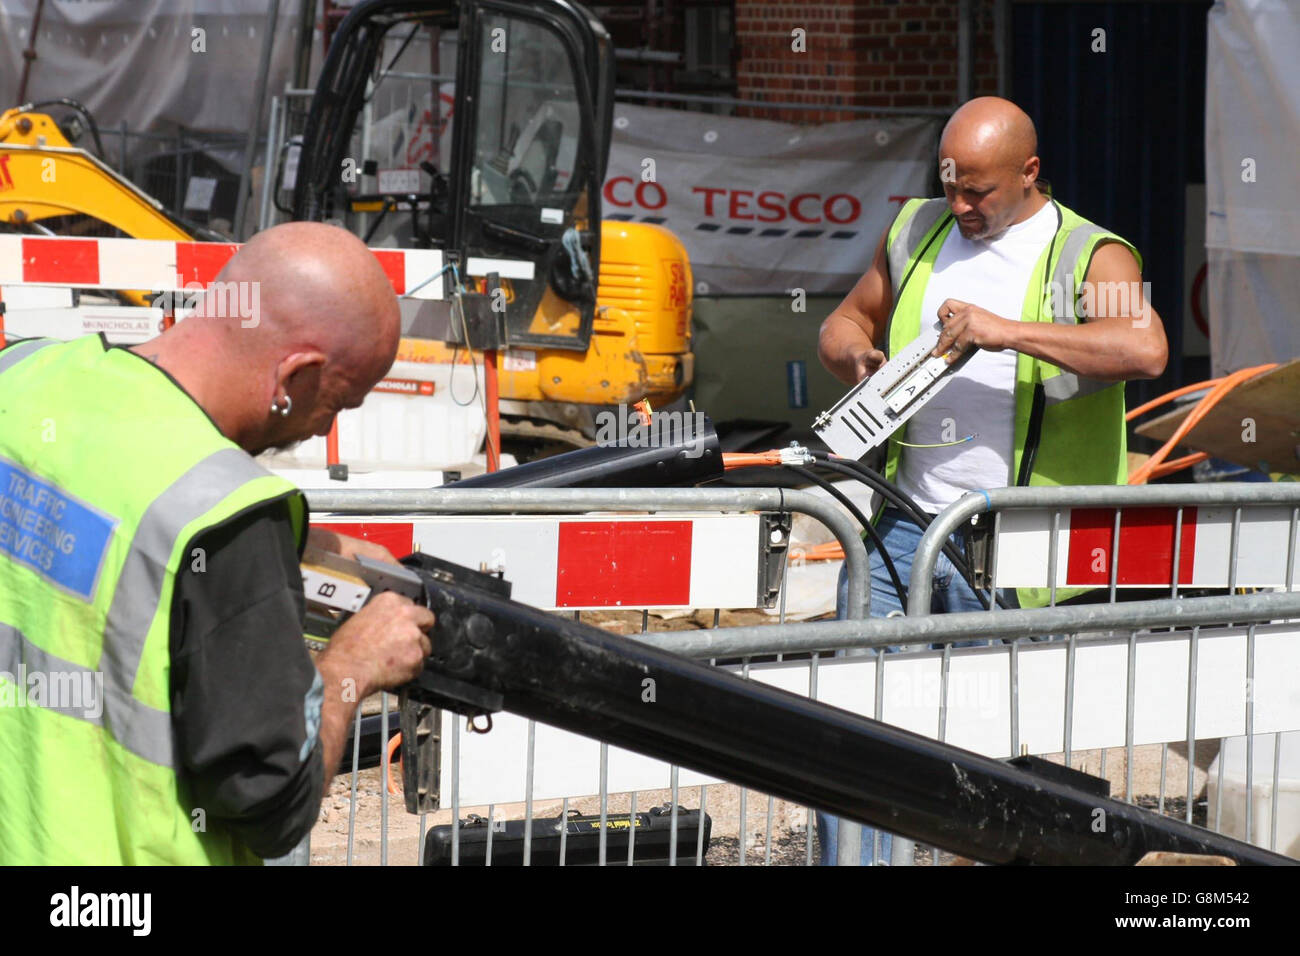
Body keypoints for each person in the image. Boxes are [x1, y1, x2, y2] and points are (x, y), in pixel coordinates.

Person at [0, 222, 434, 864]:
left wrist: (299, 547)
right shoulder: (227, 522)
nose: (323, 430)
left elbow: (112, 525)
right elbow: (272, 799)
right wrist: (351, 668)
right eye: (337, 404)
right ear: (297, 374)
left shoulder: (26, 376)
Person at [814, 97, 1168, 864]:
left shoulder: (1090, 255)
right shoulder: (917, 230)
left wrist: (1003, 331)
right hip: (903, 524)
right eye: (951, 185)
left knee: (983, 752)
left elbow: (1143, 349)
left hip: (1012, 546)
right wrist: (857, 360)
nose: (962, 205)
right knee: (850, 723)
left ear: (1030, 173)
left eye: (980, 191)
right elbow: (843, 322)